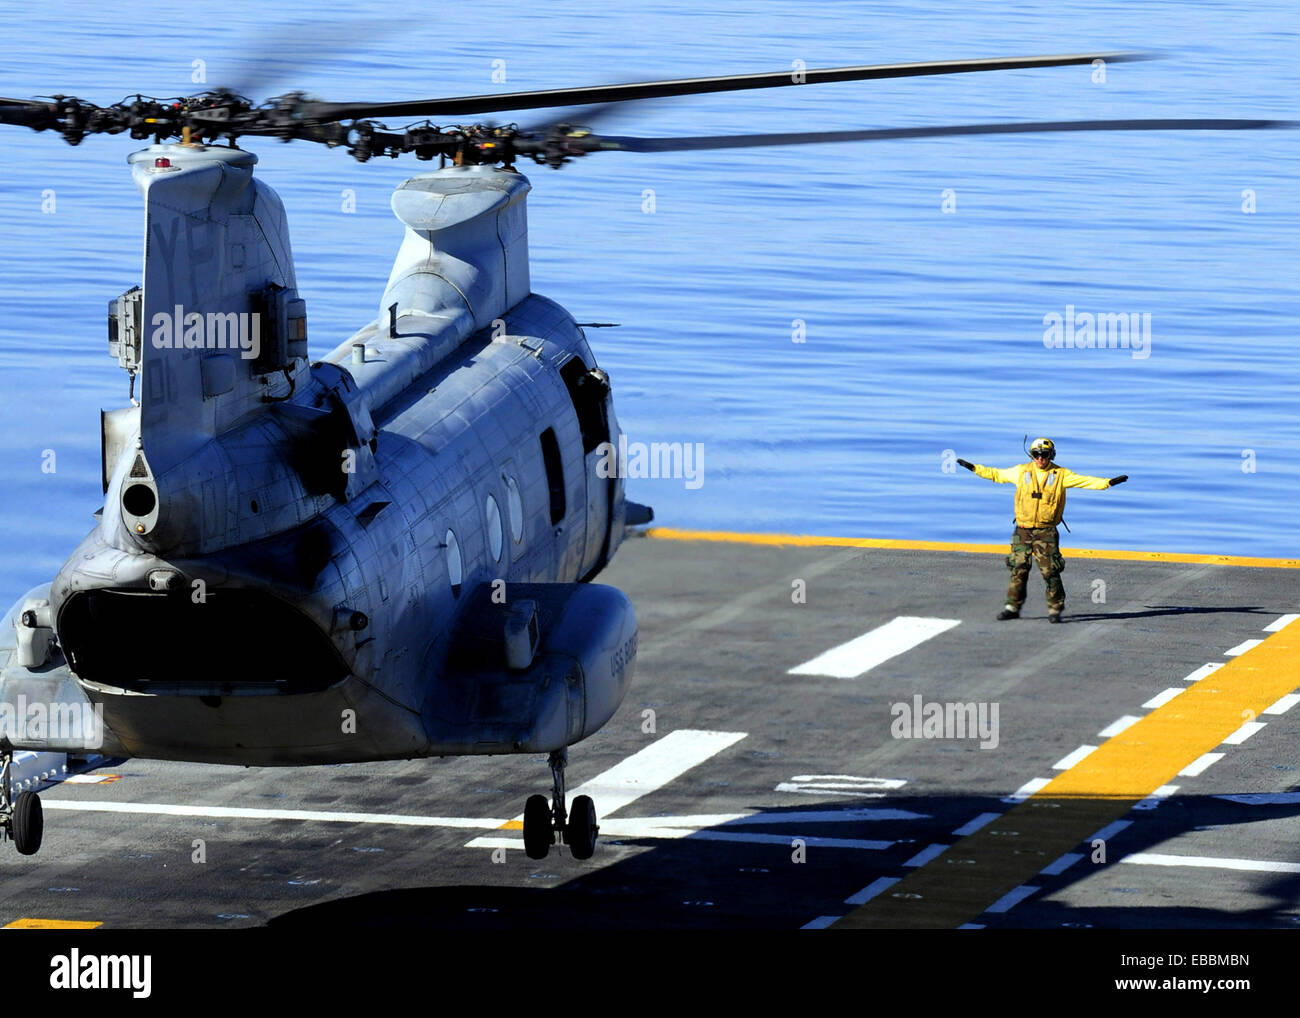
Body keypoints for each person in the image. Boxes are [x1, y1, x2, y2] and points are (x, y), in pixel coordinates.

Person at [956, 438, 1126, 623]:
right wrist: (974, 468)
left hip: (1046, 532)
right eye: (1036, 455)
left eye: (1044, 455)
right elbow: (996, 474)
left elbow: (1087, 481)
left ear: (1051, 455)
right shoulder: (1021, 471)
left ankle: (1055, 609)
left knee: (1050, 571)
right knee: (1018, 568)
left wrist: (1108, 483)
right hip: (1023, 530)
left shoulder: (1061, 474)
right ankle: (1012, 607)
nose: (1040, 458)